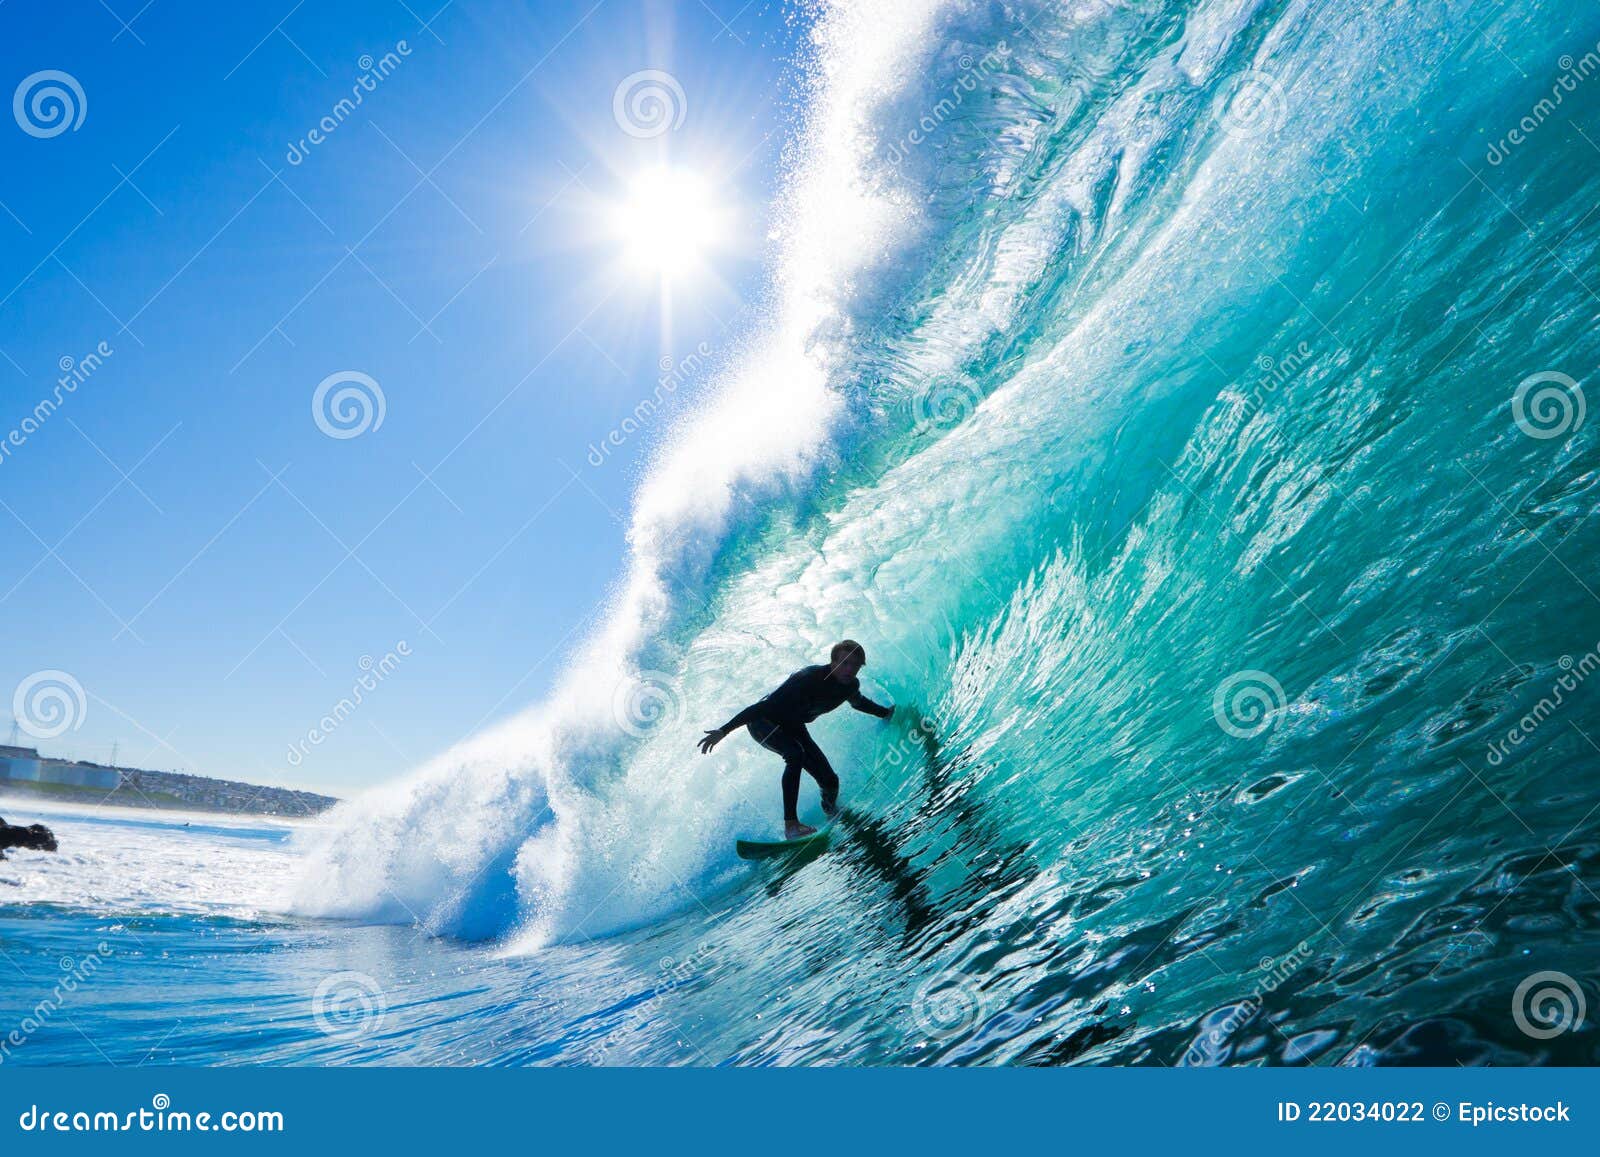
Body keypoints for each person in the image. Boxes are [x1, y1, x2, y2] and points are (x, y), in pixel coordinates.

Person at [698, 640, 893, 839]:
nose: (849, 669)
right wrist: (724, 731)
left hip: (792, 725)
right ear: (833, 662)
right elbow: (761, 708)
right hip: (763, 722)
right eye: (844, 663)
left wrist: (886, 713)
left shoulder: (850, 686)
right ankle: (791, 825)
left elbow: (858, 703)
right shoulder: (809, 678)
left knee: (830, 781)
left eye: (855, 665)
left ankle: (830, 812)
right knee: (794, 754)